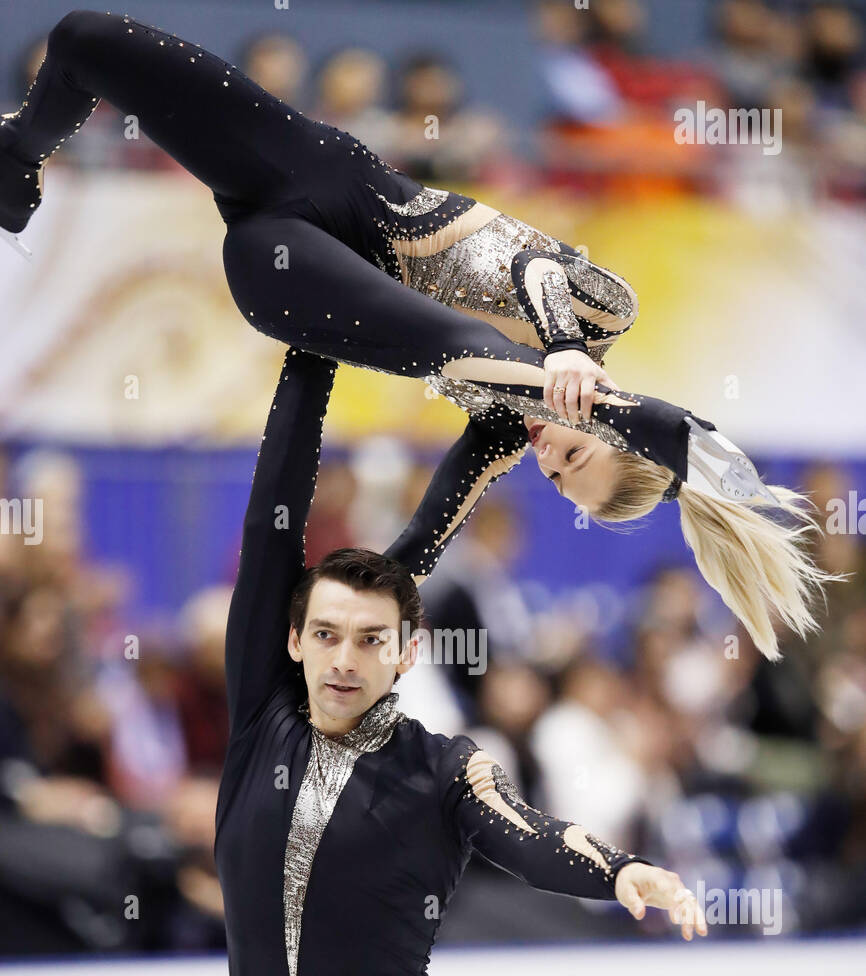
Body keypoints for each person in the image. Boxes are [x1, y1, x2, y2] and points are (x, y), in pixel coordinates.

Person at [0, 9, 841, 665]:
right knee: (86, 40)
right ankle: (14, 159)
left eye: (554, 476)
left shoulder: (511, 411)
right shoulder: (602, 314)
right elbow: (531, 268)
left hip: (285, 276)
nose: (547, 455)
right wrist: (570, 350)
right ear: (619, 424)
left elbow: (420, 544)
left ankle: (671, 438)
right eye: (576, 456)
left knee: (490, 367)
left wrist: (371, 616)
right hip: (312, 173)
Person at [163, 343, 705, 976]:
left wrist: (620, 870)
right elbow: (273, 517)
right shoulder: (261, 715)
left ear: (407, 654)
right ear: (290, 640)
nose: (342, 659)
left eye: (371, 642)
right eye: (323, 636)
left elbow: (525, 831)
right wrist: (311, 354)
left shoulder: (444, 770)